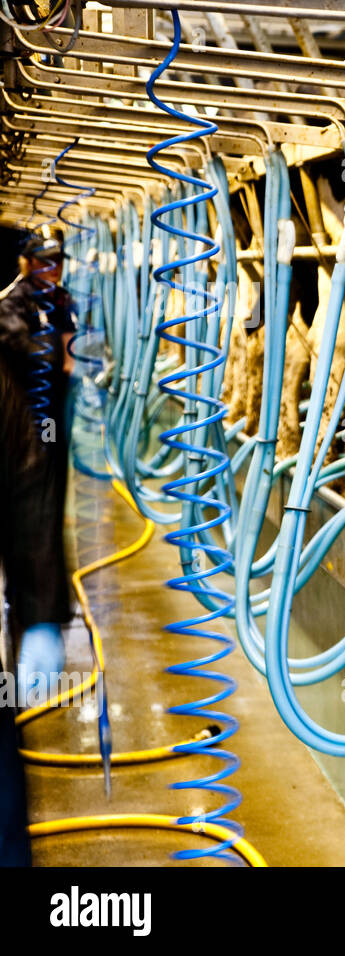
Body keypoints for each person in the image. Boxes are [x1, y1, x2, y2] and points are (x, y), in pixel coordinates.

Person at [0, 234, 76, 866]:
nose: (51, 269)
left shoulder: (55, 301)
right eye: (43, 260)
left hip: (48, 429)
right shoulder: (15, 309)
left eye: (57, 260)